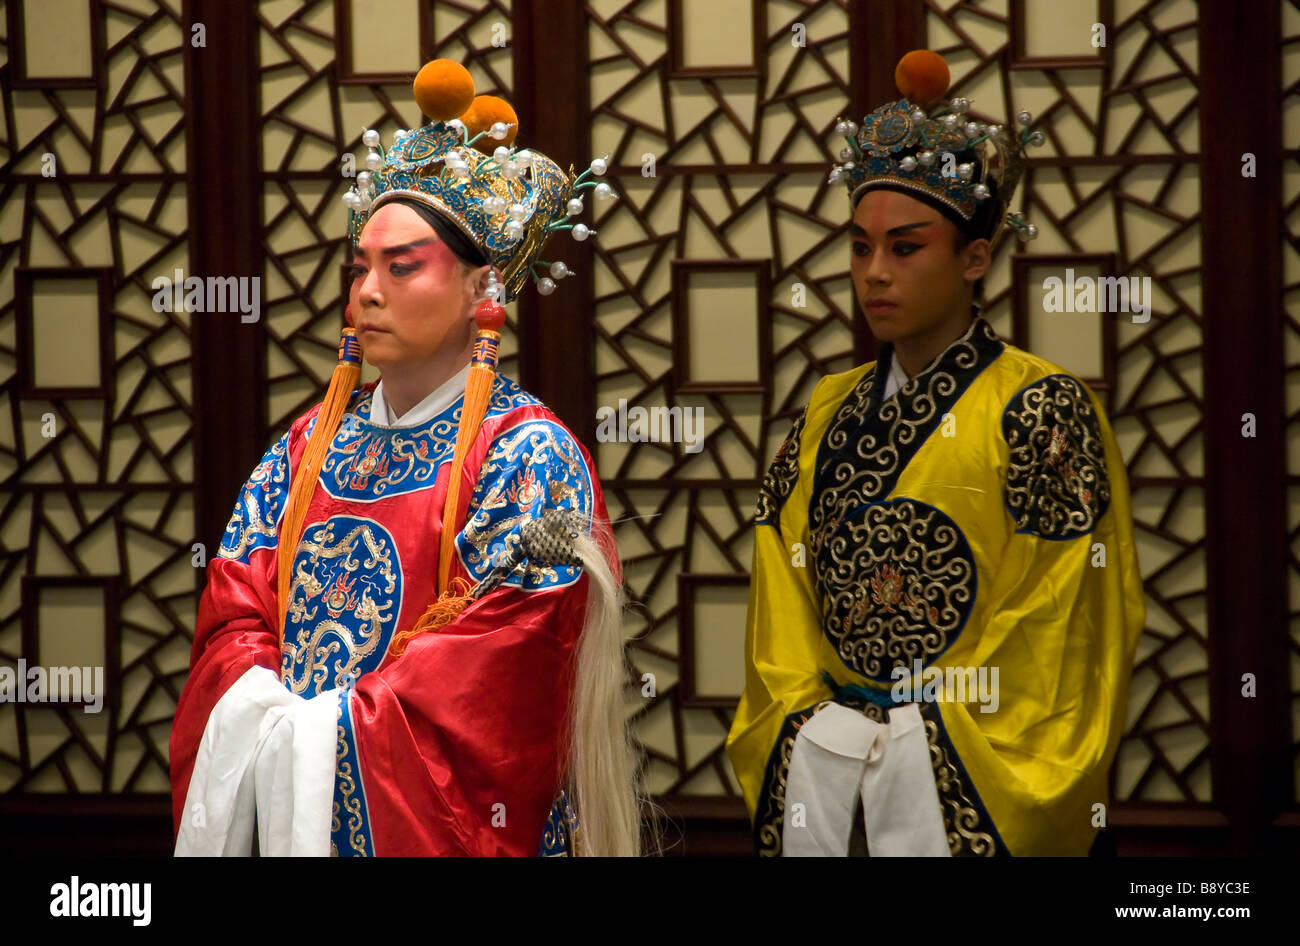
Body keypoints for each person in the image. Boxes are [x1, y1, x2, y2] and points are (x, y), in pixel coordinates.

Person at [169, 59, 640, 856]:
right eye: (360, 268)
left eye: (403, 266)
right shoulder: (307, 446)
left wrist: (323, 737)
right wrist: (271, 716)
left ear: (481, 287)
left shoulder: (530, 455)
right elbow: (236, 606)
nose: (368, 293)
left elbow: (507, 662)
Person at [726, 50, 1145, 856]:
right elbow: (779, 593)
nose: (874, 274)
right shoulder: (826, 409)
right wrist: (817, 731)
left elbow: (1065, 624)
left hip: (963, 775)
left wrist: (915, 749)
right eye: (858, 247)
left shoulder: (1041, 408)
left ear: (975, 258)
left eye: (906, 248)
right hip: (833, 767)